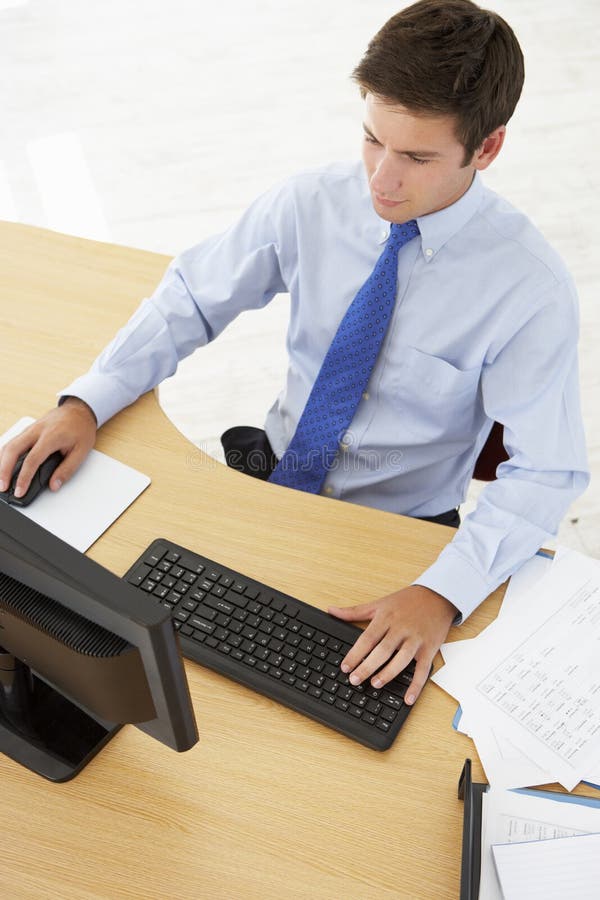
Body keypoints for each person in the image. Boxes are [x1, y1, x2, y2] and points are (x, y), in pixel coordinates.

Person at [0, 0, 589, 706]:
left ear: (486, 149)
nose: (382, 179)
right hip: (267, 482)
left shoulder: (529, 289)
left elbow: (547, 471)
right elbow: (191, 297)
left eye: (416, 157)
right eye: (372, 139)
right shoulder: (312, 203)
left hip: (395, 536)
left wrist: (443, 592)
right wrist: (86, 402)